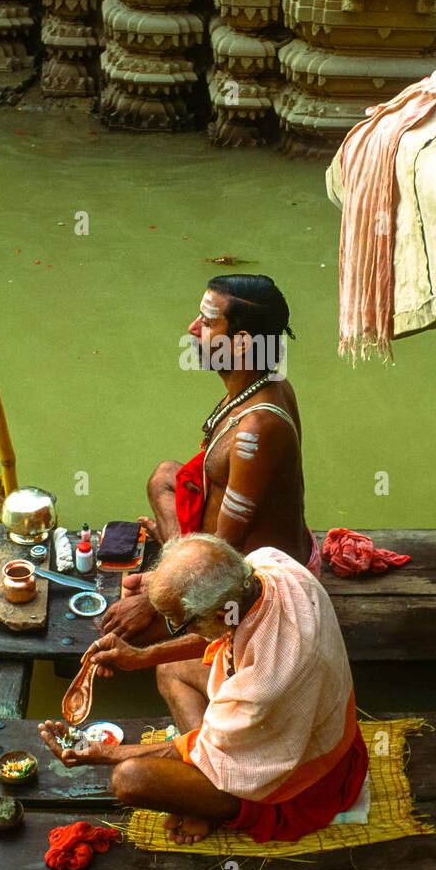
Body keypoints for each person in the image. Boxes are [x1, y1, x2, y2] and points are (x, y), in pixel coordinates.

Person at [39, 534, 368, 845]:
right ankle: (197, 795)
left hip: (302, 782)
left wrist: (101, 754)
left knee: (130, 779)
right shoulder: (270, 566)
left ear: (216, 614)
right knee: (171, 668)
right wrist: (138, 657)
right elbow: (218, 629)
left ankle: (204, 806)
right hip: (297, 719)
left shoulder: (263, 683)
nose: (170, 630)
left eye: (178, 623)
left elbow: (201, 748)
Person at [100, 275, 321, 695]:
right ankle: (174, 555)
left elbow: (225, 558)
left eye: (205, 321)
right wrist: (168, 574)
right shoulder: (262, 385)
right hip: (229, 548)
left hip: (259, 588)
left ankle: (172, 564)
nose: (192, 329)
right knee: (165, 475)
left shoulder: (258, 428)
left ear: (239, 342)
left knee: (117, 634)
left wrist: (154, 597)